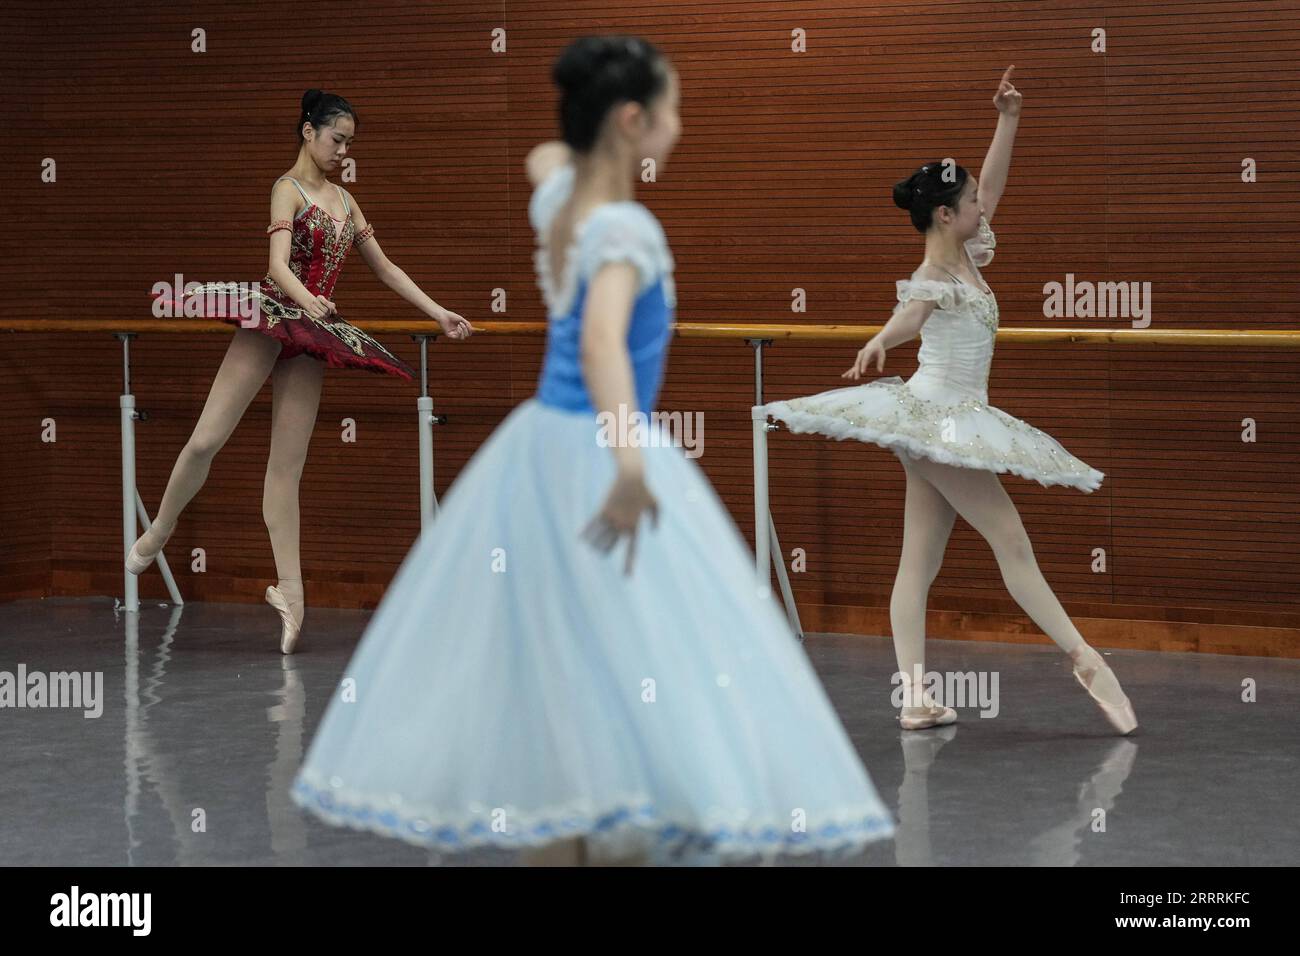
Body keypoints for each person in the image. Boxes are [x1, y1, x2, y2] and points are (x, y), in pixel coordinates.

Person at [290, 36, 896, 865]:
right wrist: (630, 462)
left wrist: (581, 149)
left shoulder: (563, 204)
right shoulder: (622, 228)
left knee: (564, 667)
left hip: (536, 453)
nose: (679, 126)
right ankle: (607, 825)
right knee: (626, 657)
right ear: (634, 120)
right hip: (595, 450)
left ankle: (572, 821)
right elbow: (606, 344)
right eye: (673, 108)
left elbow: (547, 158)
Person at [763, 67, 1136, 735]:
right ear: (944, 215)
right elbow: (911, 316)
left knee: (920, 560)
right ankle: (1084, 658)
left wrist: (1009, 119)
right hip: (940, 422)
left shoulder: (969, 253)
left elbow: (990, 186)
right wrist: (880, 339)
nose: (981, 208)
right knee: (1011, 540)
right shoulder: (936, 274)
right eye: (968, 204)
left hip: (943, 422)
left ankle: (914, 699)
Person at [129, 89, 473, 655]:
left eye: (349, 143)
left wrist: (437, 312)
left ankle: (291, 592)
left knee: (286, 470)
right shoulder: (285, 190)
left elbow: (383, 266)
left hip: (312, 330)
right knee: (206, 440)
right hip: (272, 316)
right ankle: (161, 528)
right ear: (308, 132)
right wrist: (308, 300)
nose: (342, 151)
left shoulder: (344, 200)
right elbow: (275, 267)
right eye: (336, 139)